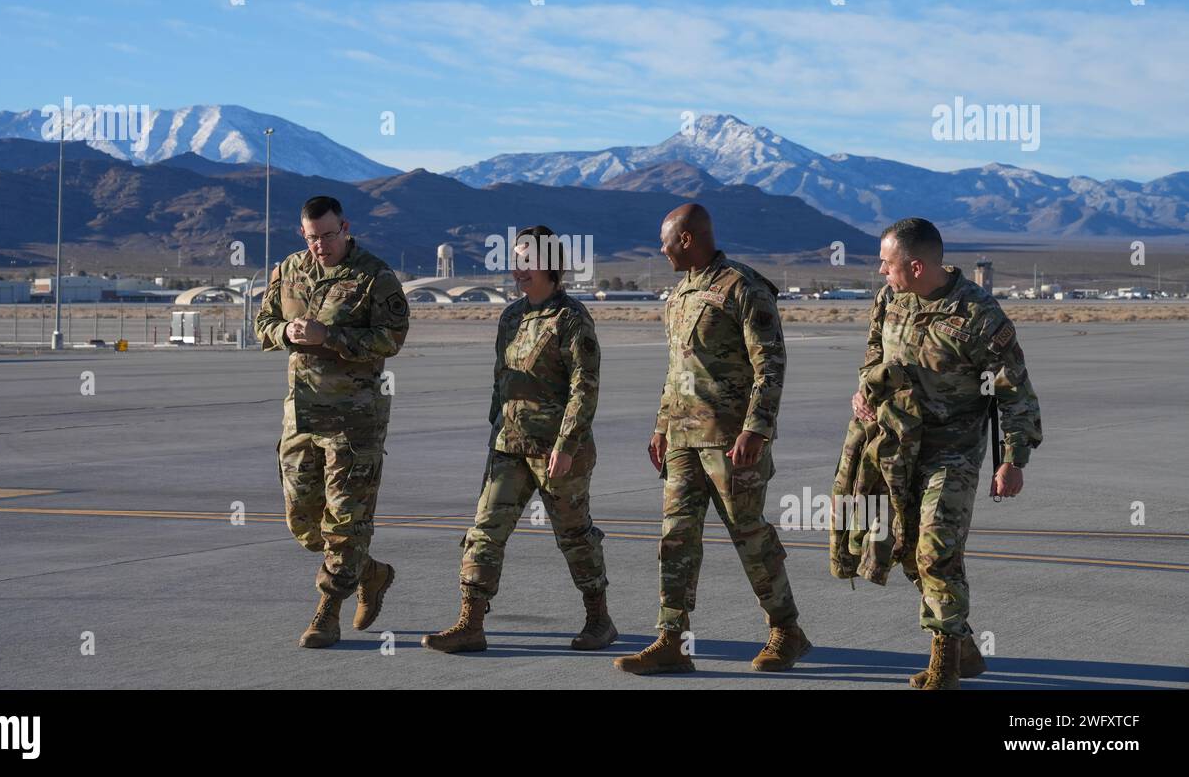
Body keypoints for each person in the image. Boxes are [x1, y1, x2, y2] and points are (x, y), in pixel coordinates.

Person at [615, 203, 810, 675]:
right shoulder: (679, 294)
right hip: (683, 439)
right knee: (675, 537)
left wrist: (756, 428)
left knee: (749, 535)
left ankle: (786, 630)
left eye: (665, 242)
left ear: (686, 239)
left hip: (730, 439)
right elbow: (677, 369)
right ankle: (672, 639)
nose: (660, 251)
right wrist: (662, 425)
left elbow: (771, 365)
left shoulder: (743, 287)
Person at [853, 217, 1041, 688]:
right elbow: (874, 354)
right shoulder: (889, 300)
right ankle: (965, 647)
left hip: (952, 450)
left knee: (938, 550)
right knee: (907, 549)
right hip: (898, 444)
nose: (881, 271)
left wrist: (1013, 459)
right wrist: (865, 390)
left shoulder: (980, 316)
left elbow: (1014, 391)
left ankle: (945, 664)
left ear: (916, 265)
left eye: (886, 263)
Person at [422, 225, 615, 653]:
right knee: (484, 531)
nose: (517, 269)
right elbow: (500, 381)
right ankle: (470, 623)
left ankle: (599, 620)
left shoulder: (571, 318)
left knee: (574, 536)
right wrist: (496, 429)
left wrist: (566, 446)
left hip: (556, 452)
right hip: (509, 447)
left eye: (526, 261)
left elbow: (585, 388)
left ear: (550, 265)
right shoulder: (511, 315)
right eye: (515, 260)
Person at [255, 195, 409, 648]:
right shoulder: (289, 270)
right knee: (304, 523)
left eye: (327, 235)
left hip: (354, 421)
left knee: (345, 523)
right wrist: (285, 331)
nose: (320, 245)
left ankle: (327, 612)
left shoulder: (374, 276)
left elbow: (392, 338)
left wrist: (331, 337)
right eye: (311, 237)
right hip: (300, 416)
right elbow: (263, 321)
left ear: (345, 227)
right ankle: (372, 572)